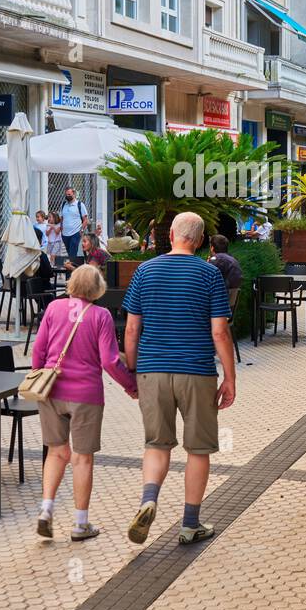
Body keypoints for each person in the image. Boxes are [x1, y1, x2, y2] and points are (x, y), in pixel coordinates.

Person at [123, 212, 236, 546]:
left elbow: (131, 328)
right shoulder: (209, 274)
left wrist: (133, 371)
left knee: (157, 444)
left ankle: (149, 500)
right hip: (196, 372)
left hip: (152, 371)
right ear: (200, 241)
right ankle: (189, 524)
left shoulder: (145, 270)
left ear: (171, 234)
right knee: (198, 449)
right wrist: (230, 378)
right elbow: (220, 332)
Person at [31, 264, 137, 542]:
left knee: (55, 453)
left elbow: (38, 349)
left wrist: (39, 378)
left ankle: (46, 510)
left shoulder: (54, 308)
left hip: (52, 391)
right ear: (97, 288)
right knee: (82, 458)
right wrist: (130, 385)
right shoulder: (101, 315)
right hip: (86, 395)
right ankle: (80, 524)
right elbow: (110, 361)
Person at [60, 187, 89, 259]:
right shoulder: (63, 204)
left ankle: (72, 267)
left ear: (74, 194)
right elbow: (62, 218)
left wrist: (81, 230)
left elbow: (85, 219)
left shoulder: (80, 204)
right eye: (66, 194)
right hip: (65, 233)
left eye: (69, 194)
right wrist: (61, 228)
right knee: (69, 251)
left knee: (73, 251)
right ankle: (73, 266)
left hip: (76, 232)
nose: (67, 196)